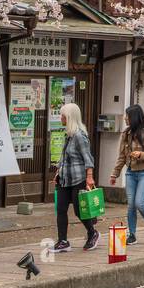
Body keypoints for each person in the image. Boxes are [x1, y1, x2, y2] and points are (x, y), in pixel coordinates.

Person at [51, 101, 99, 252]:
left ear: (70, 117)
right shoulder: (69, 135)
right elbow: (63, 157)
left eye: (63, 115)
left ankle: (92, 233)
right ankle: (63, 241)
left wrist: (89, 177)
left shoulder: (79, 136)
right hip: (65, 179)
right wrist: (58, 172)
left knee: (80, 210)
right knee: (61, 209)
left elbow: (88, 158)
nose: (61, 118)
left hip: (78, 179)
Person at [109, 104, 144, 244]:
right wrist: (114, 174)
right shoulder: (126, 134)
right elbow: (122, 157)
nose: (125, 118)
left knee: (139, 203)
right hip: (130, 173)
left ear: (134, 117)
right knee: (131, 205)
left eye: (127, 116)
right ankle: (132, 234)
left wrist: (140, 154)